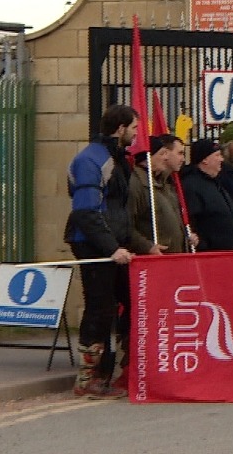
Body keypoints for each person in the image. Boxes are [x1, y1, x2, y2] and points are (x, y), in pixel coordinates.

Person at [64, 104, 139, 399]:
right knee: (100, 306)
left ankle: (121, 368)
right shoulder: (91, 160)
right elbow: (86, 212)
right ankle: (87, 378)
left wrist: (136, 244)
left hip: (115, 243)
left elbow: (118, 212)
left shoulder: (118, 159)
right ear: (120, 129)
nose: (136, 133)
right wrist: (112, 248)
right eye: (133, 128)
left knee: (133, 298)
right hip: (93, 243)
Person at [128, 134, 196, 255]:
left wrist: (186, 238)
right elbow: (127, 225)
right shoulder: (136, 184)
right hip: (155, 258)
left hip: (174, 256)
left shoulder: (166, 183)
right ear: (148, 157)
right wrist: (147, 246)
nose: (166, 158)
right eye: (162, 154)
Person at [181, 138, 233, 251]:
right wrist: (202, 245)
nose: (221, 159)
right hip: (209, 256)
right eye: (217, 155)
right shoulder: (192, 185)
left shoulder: (215, 182)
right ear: (205, 160)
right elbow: (190, 221)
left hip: (228, 254)